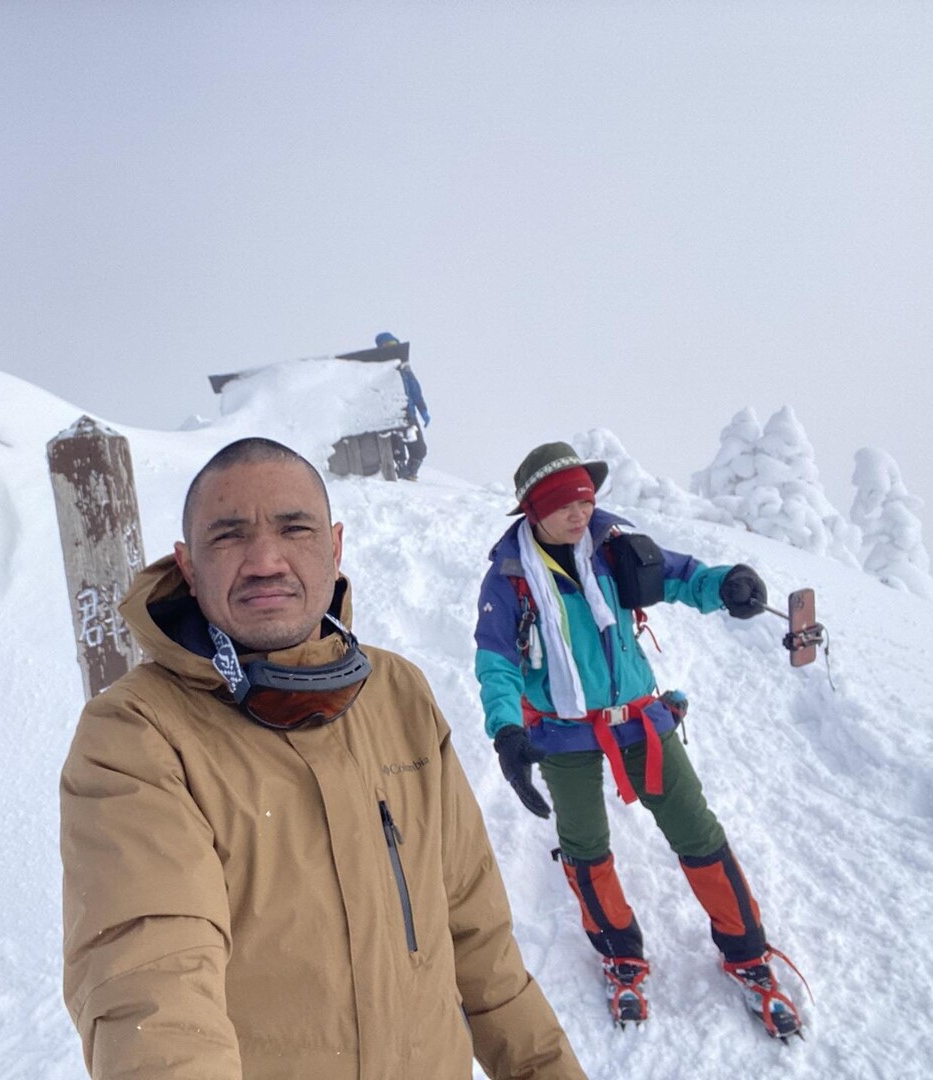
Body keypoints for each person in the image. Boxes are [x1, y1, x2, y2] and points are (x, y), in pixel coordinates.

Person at [60, 437, 586, 1080]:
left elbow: (480, 946)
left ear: (334, 548)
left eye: (294, 528)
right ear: (189, 567)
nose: (264, 560)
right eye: (227, 537)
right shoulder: (137, 734)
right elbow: (154, 990)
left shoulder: (398, 694)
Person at [473, 441, 804, 1039]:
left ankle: (747, 951)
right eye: (566, 503)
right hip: (563, 732)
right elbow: (495, 660)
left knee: (696, 830)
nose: (582, 512)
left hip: (638, 720)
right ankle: (620, 953)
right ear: (534, 511)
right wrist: (507, 732)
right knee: (585, 845)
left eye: (586, 499)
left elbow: (678, 576)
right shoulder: (510, 578)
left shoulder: (612, 546)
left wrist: (725, 584)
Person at [375, 331, 430, 480]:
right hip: (392, 415)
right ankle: (400, 472)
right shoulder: (378, 370)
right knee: (397, 449)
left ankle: (411, 473)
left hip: (409, 414)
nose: (390, 348)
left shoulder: (405, 369)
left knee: (419, 450)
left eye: (393, 344)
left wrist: (423, 410)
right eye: (386, 345)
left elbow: (415, 391)